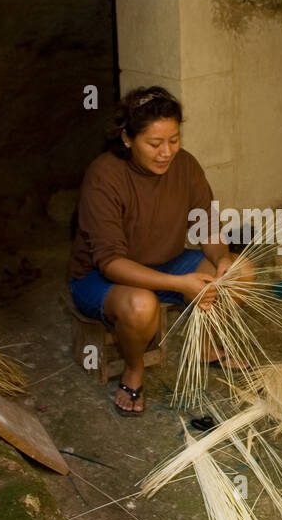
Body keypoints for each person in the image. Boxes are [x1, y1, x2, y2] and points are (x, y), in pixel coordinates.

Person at [67, 87, 251, 414]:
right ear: (127, 138)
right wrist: (181, 285)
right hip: (101, 279)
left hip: (167, 263)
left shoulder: (186, 166)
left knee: (240, 272)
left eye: (174, 140)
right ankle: (134, 368)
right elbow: (110, 264)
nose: (166, 152)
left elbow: (205, 228)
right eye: (154, 144)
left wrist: (221, 258)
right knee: (141, 305)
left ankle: (207, 347)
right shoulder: (104, 176)